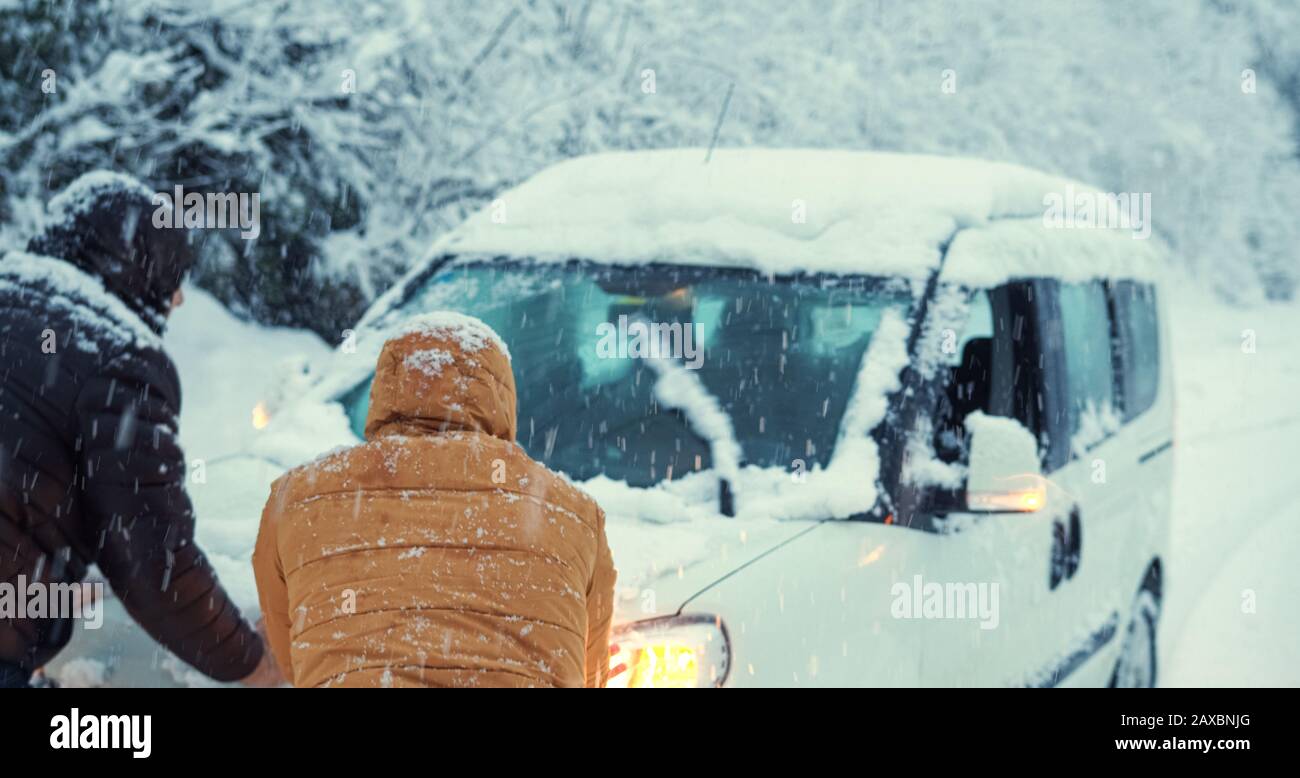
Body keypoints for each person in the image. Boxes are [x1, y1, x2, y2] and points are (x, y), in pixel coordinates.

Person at [0, 171, 277, 688]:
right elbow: (152, 559)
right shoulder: (115, 360)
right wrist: (251, 662)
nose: (179, 301)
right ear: (145, 271)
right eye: (175, 277)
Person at [253, 312, 617, 687]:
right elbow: (589, 673)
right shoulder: (573, 515)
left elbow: (292, 649)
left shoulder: (296, 500)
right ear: (502, 397)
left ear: (384, 389)